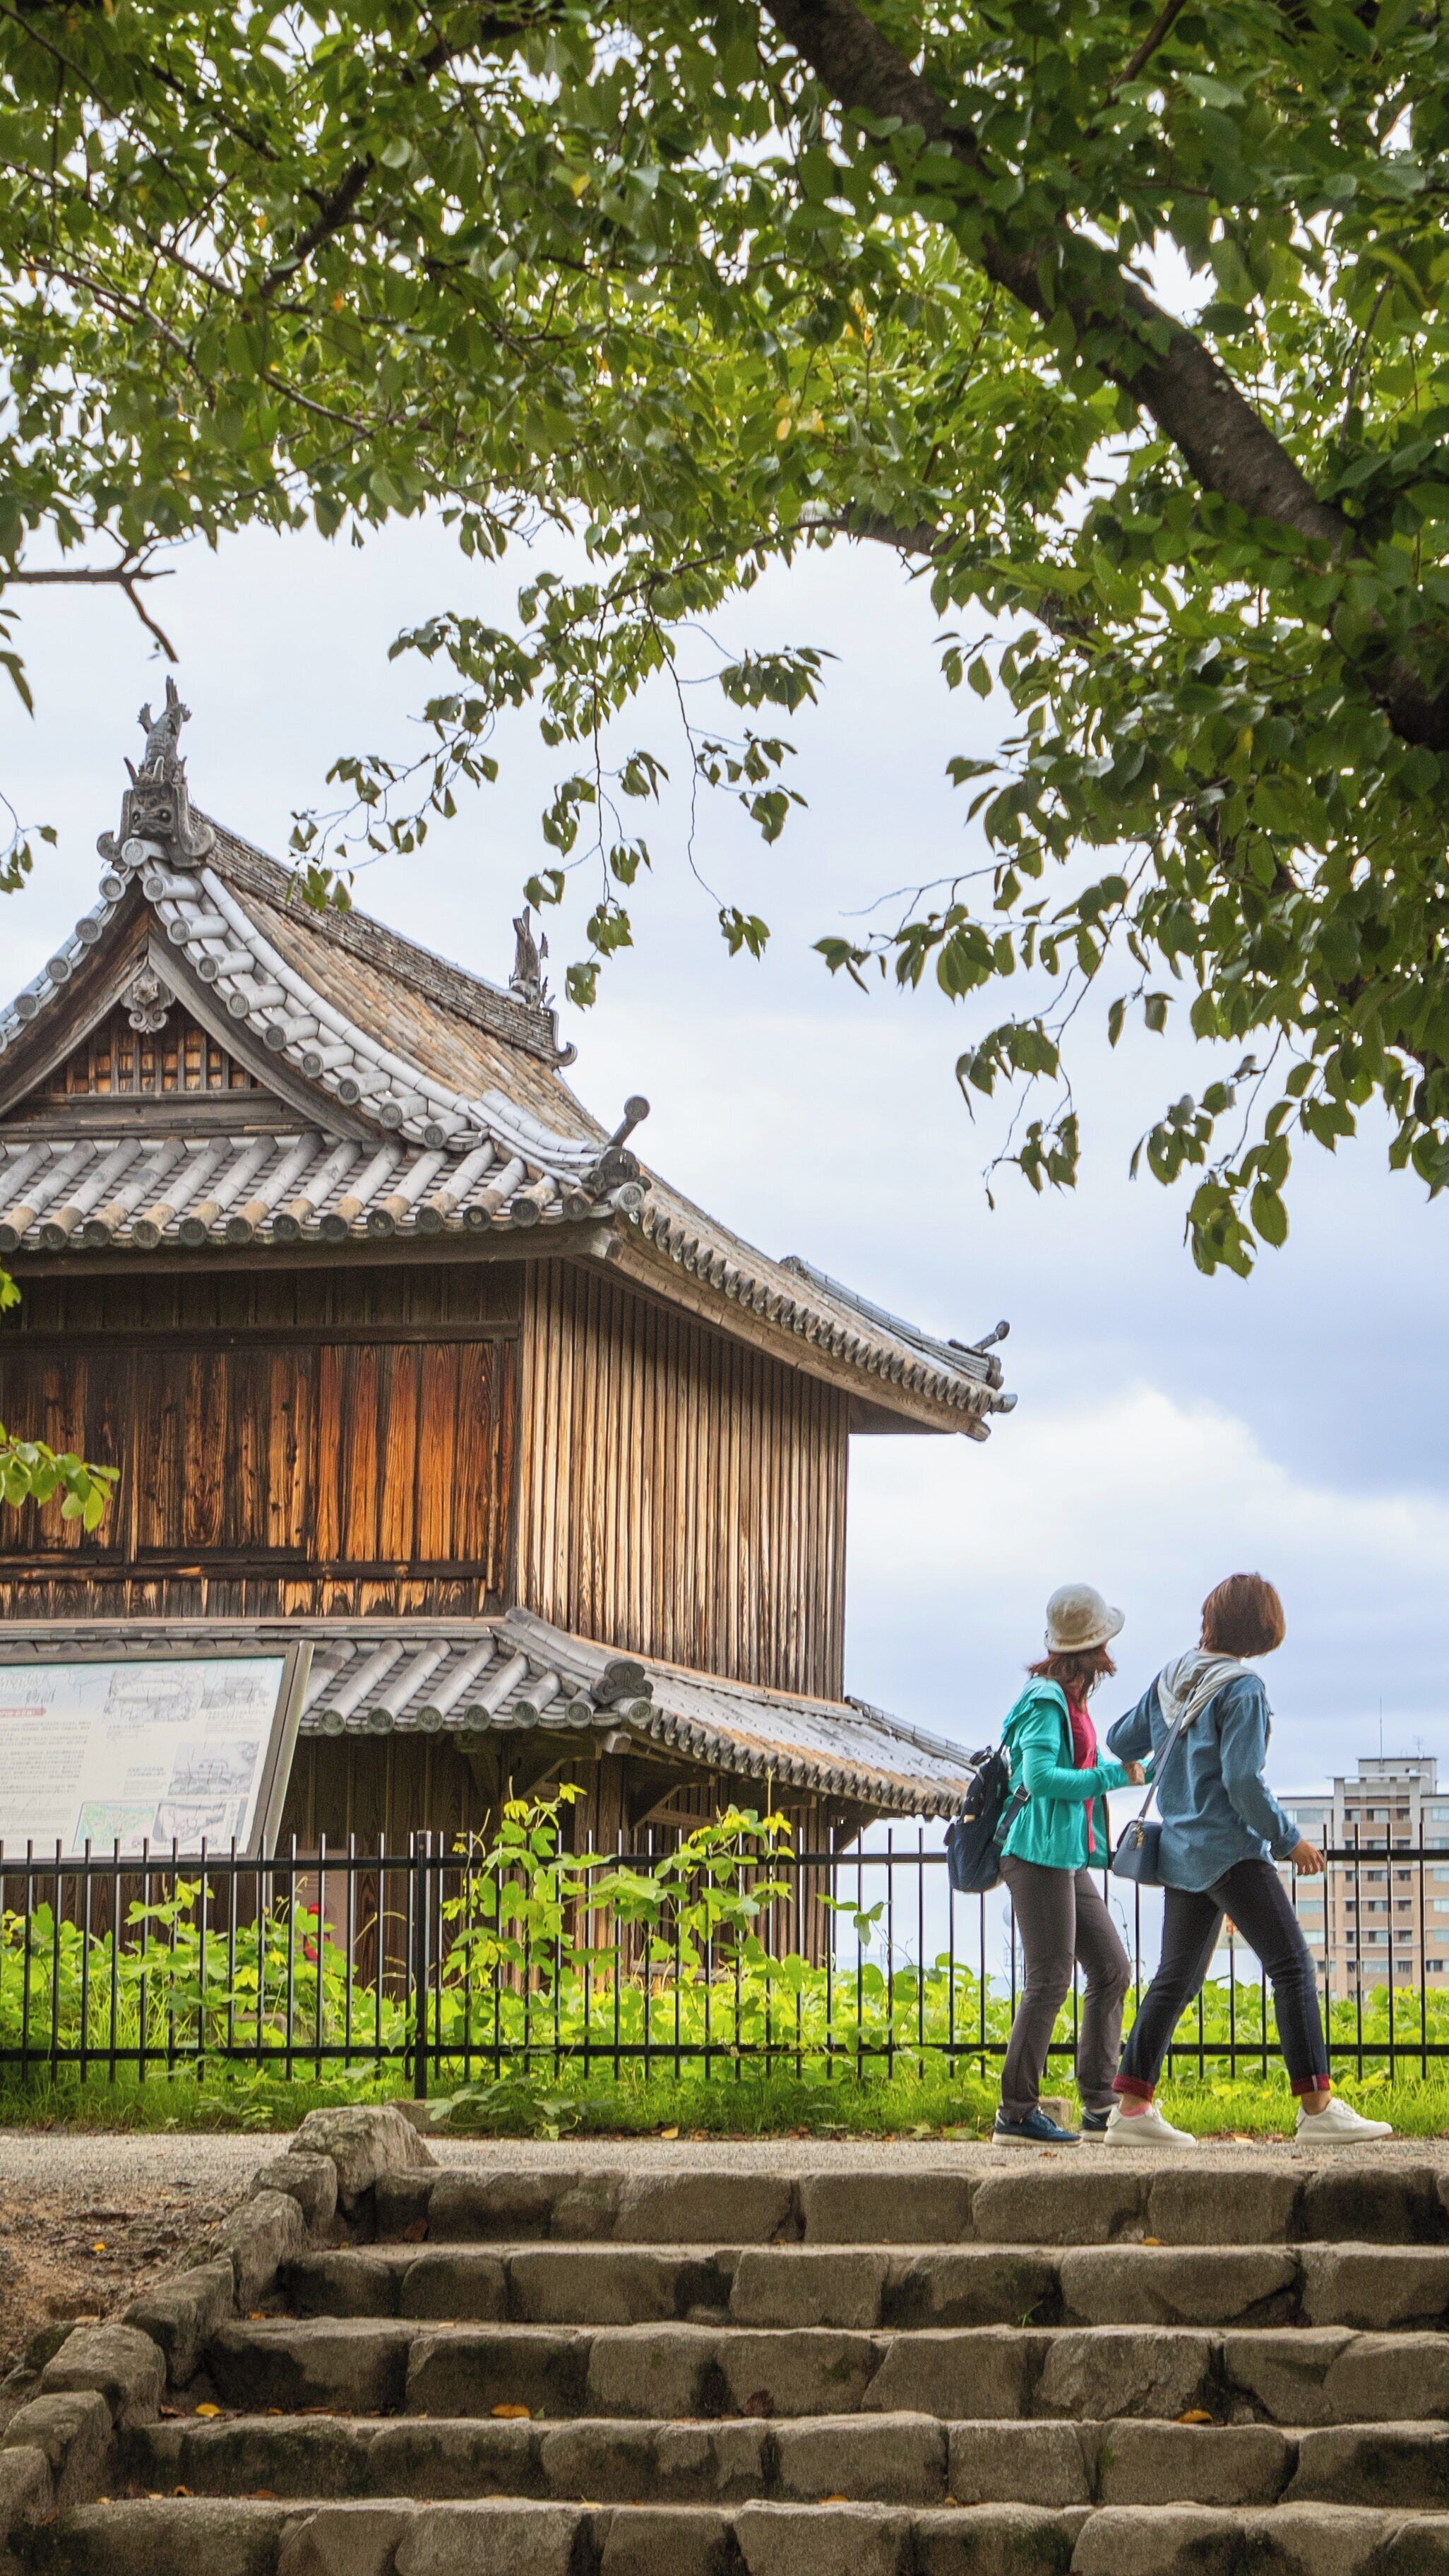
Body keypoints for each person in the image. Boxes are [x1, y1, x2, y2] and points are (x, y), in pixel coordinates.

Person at [1103, 1572, 1392, 2147]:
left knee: (1174, 1980)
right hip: (1232, 1852)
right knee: (1292, 1969)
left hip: (1181, 1853)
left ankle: (1130, 2110)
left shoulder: (1172, 1677)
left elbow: (1120, 1741)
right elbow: (1242, 1781)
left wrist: (1167, 1760)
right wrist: (1289, 1841)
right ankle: (1317, 2107)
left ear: (1212, 1619)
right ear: (1260, 1628)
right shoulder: (1243, 1689)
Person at [992, 1582, 1143, 2146]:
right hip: (1034, 1855)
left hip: (1065, 1856)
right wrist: (1111, 1776)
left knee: (1111, 1969)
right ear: (1092, 1648)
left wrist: (1133, 1770)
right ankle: (1015, 2113)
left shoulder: (1072, 1700)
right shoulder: (1044, 1700)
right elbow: (1039, 1780)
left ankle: (1100, 2103)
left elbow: (1087, 1769)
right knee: (1050, 1981)